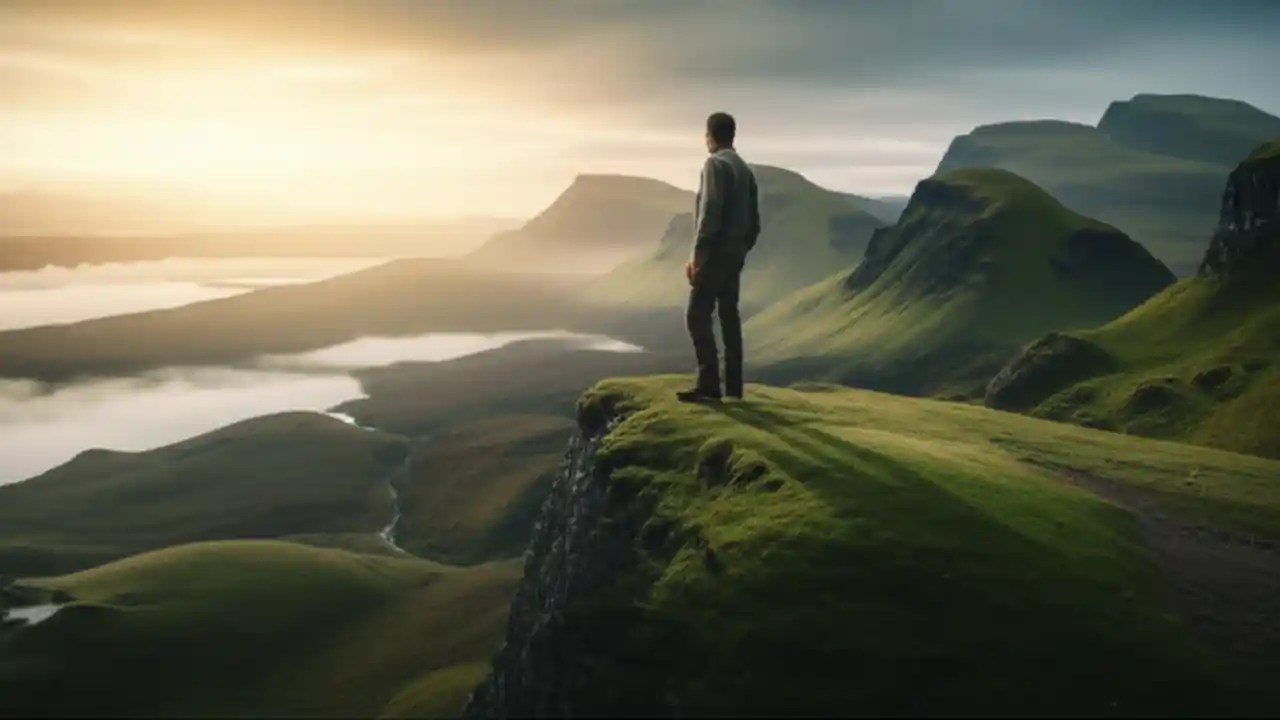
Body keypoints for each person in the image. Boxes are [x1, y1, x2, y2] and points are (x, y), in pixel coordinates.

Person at [678, 111, 760, 403]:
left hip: (714, 255)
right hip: (734, 255)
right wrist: (739, 251)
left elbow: (709, 214)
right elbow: (754, 224)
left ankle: (709, 383)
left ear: (709, 136)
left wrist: (697, 258)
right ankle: (734, 390)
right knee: (729, 318)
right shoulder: (745, 170)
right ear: (733, 135)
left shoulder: (715, 164)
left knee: (697, 315)